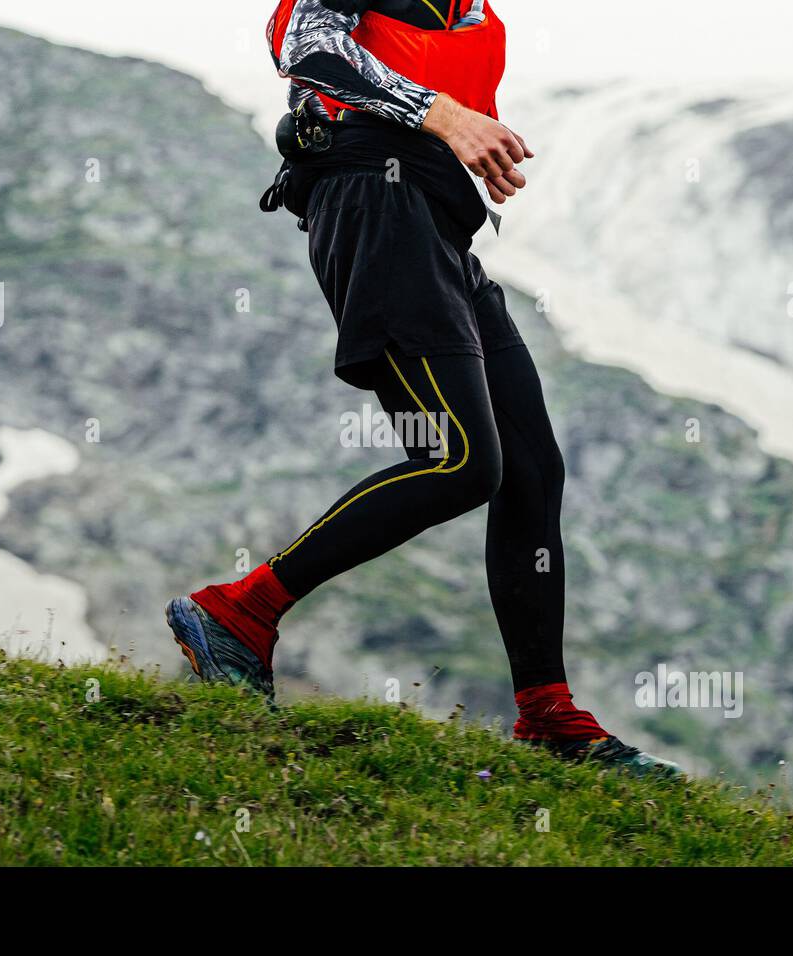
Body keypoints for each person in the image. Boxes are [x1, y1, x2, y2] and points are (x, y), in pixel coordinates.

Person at [167, 0, 680, 776]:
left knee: (531, 468)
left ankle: (548, 715)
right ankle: (238, 611)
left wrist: (468, 140)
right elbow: (305, 48)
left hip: (438, 229)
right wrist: (445, 115)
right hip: (373, 204)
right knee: (462, 460)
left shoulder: (480, 21)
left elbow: (436, 102)